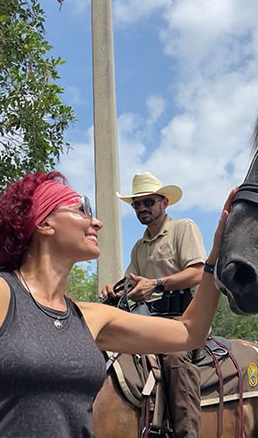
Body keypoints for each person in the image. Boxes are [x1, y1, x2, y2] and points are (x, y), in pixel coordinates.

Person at [0, 171, 233, 438]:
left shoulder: (91, 318)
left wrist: (218, 253)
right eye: (81, 210)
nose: (96, 221)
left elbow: (189, 333)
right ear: (44, 222)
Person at [100, 171, 205, 438]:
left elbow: (198, 273)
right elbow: (133, 282)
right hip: (151, 322)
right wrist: (116, 290)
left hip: (185, 319)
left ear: (164, 203)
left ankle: (186, 433)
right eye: (137, 204)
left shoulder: (183, 228)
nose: (142, 208)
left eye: (148, 202)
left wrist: (156, 284)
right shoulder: (138, 247)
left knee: (174, 357)